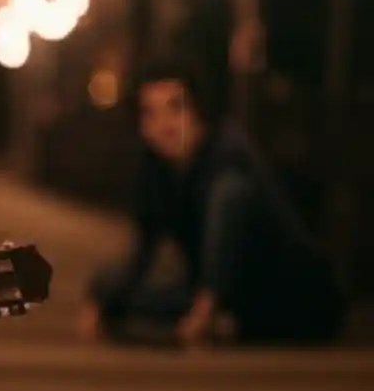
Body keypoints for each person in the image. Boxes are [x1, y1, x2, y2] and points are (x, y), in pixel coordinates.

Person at [79, 61, 345, 348]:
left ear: (198, 112)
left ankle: (221, 317)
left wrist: (204, 309)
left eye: (176, 107)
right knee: (127, 299)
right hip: (225, 294)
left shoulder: (228, 151)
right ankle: (224, 319)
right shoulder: (156, 168)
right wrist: (102, 299)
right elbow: (142, 249)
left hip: (289, 292)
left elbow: (230, 237)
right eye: (150, 114)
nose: (165, 123)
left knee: (228, 191)